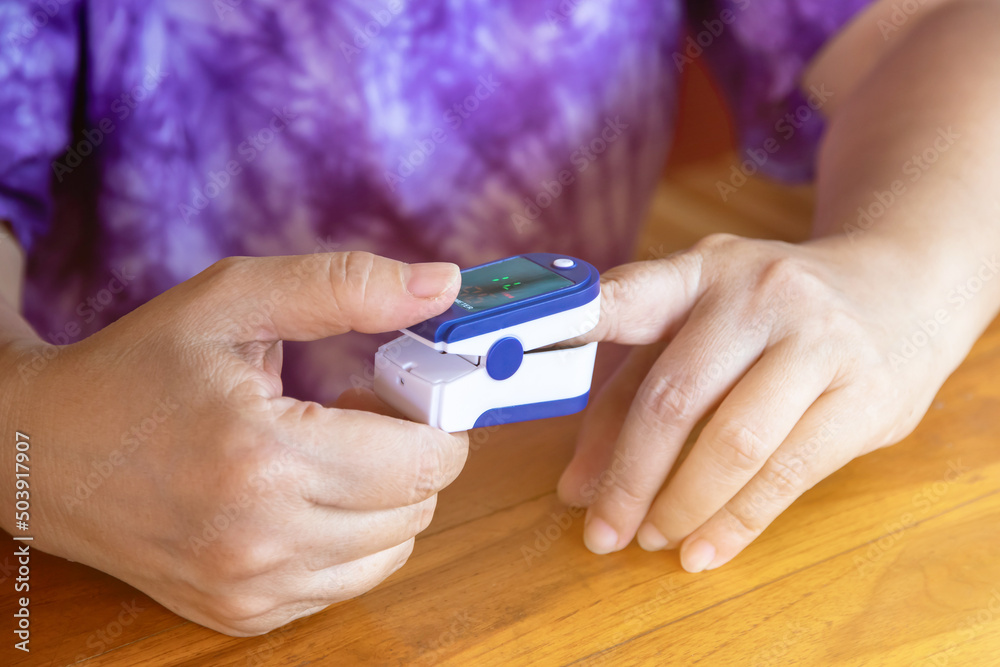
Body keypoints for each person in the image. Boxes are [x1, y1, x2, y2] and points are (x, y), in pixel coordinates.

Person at [2, 0, 999, 637]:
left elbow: (929, 25)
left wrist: (907, 269)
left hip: (546, 519)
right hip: (103, 564)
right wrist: (26, 432)